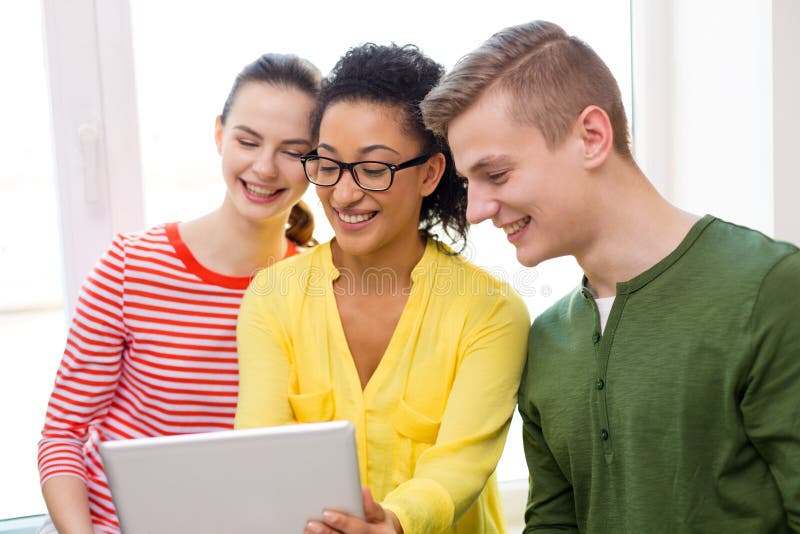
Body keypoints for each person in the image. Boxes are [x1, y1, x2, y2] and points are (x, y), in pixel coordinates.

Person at [420, 19, 800, 533]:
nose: (476, 210)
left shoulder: (771, 289)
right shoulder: (548, 341)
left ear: (591, 137)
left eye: (497, 174)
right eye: (469, 183)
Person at [234, 43, 530, 534]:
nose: (345, 193)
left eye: (374, 169)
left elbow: (459, 465)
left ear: (431, 173)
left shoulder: (491, 312)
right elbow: (261, 447)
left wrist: (397, 521)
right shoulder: (272, 297)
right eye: (327, 164)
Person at [37, 53, 321, 534]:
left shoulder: (322, 287)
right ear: (218, 135)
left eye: (293, 151)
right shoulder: (131, 265)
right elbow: (62, 435)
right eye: (247, 141)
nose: (265, 167)